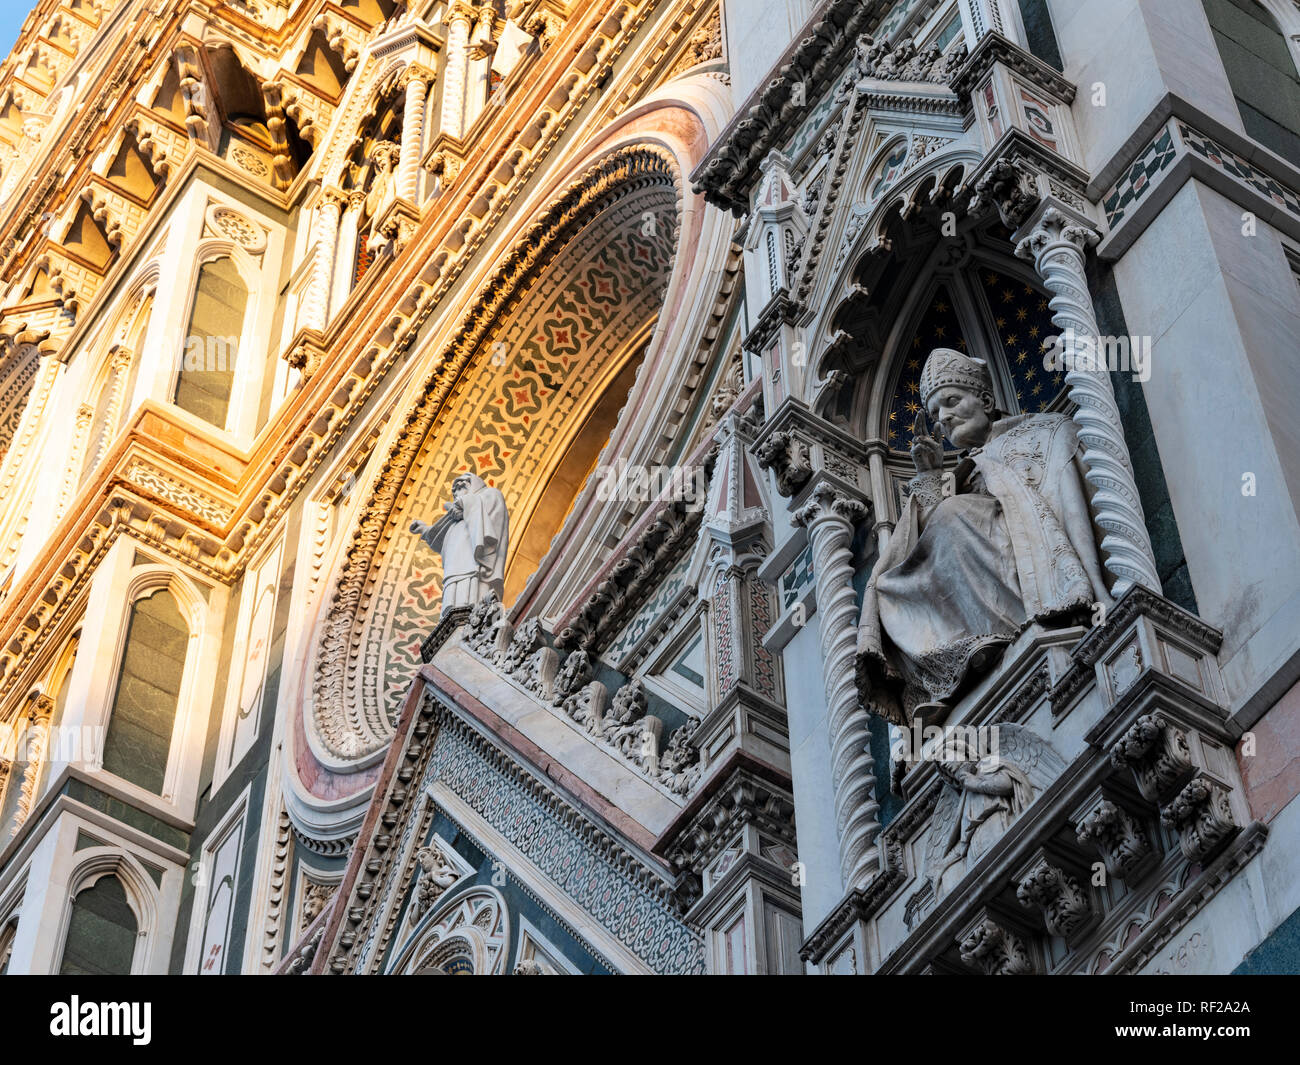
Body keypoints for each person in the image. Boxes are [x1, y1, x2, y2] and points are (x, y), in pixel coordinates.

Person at [857, 348, 1110, 728]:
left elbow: (1071, 508)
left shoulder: (1043, 433)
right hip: (985, 557)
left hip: (1029, 560)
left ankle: (1012, 622)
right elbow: (936, 545)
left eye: (952, 402)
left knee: (952, 515)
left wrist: (1097, 592)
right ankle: (968, 648)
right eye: (936, 414)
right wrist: (928, 477)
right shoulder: (962, 472)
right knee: (884, 584)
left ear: (986, 400)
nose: (943, 418)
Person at [410, 472, 509, 614]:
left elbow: (491, 518)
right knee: (452, 602)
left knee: (474, 596)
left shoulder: (490, 494)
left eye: (460, 488)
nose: (456, 493)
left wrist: (464, 504)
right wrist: (425, 530)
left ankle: (476, 617)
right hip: (454, 567)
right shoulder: (456, 517)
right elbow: (441, 534)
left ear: (471, 484)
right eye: (454, 491)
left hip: (475, 563)